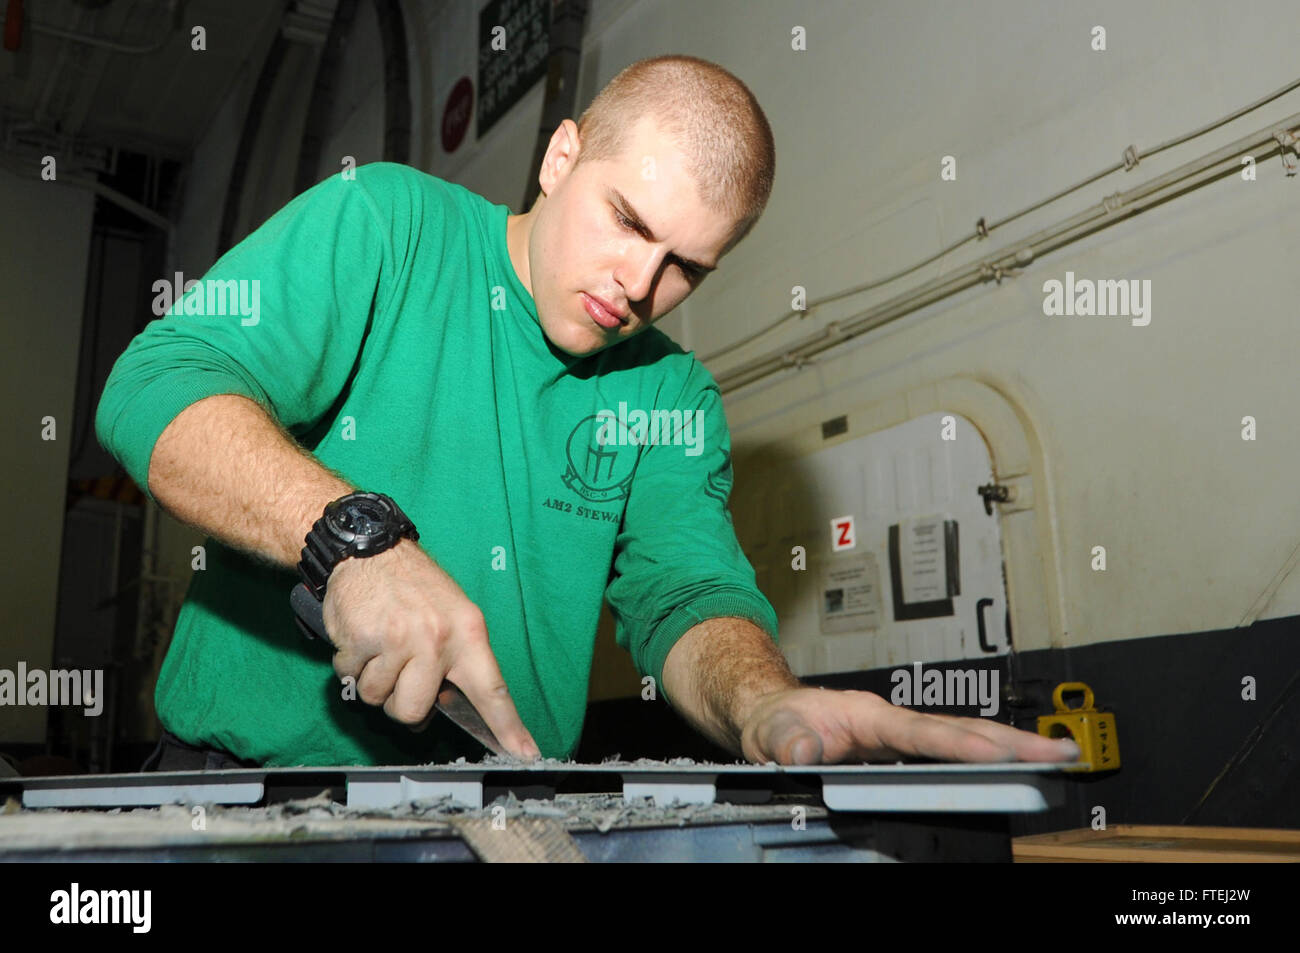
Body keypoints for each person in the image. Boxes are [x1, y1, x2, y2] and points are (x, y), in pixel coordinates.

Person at [99, 54, 1080, 769]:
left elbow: (684, 594)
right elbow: (158, 387)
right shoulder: (386, 226)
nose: (639, 285)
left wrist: (765, 702)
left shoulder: (669, 394)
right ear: (560, 156)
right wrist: (351, 542)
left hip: (501, 807)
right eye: (628, 221)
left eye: (685, 265)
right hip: (239, 795)